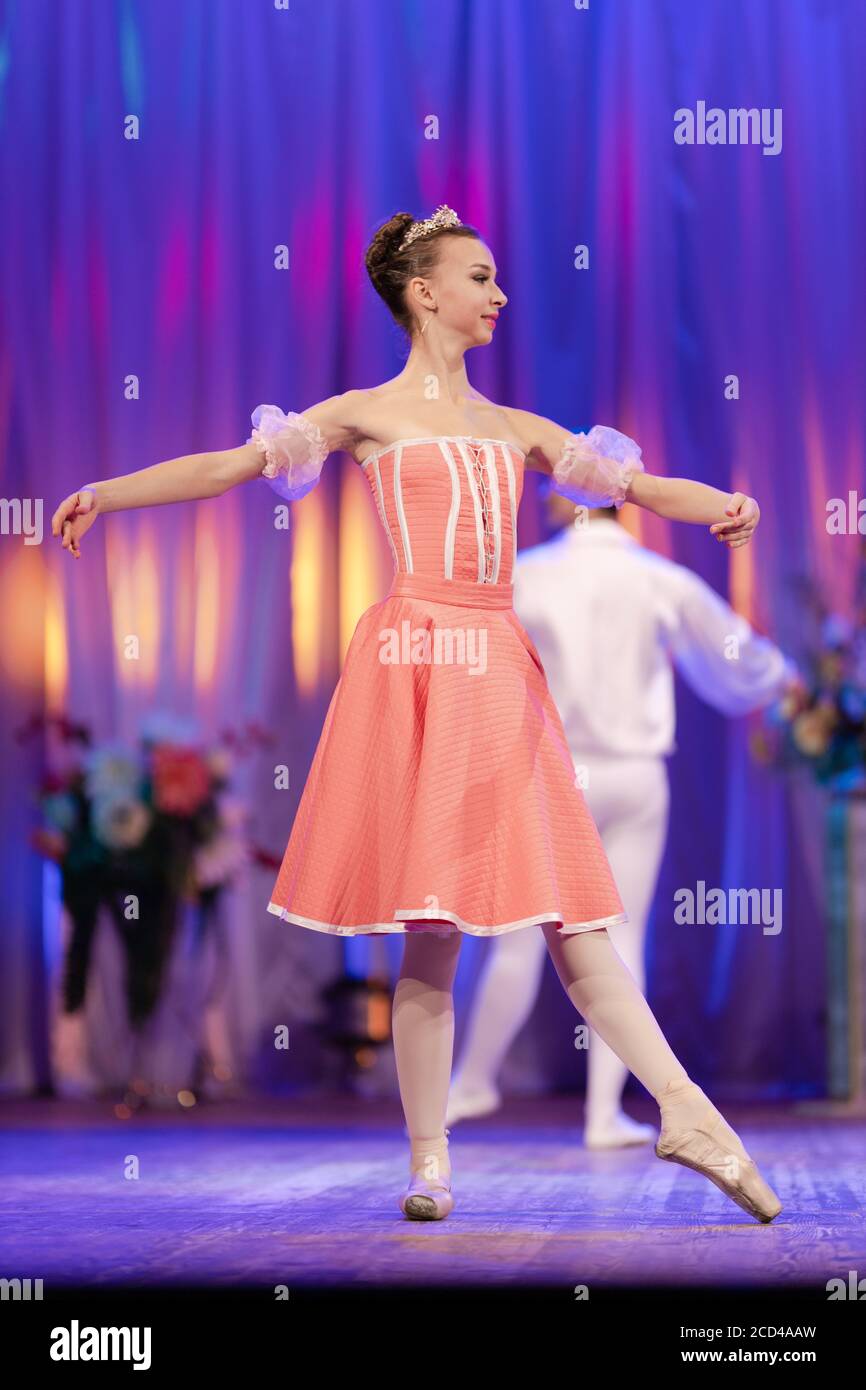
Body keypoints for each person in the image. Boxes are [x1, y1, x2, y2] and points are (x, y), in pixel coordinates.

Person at [52, 204, 781, 1225]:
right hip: (414, 663)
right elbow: (226, 467)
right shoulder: (364, 413)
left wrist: (721, 506)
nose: (499, 294)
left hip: (494, 668)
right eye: (479, 277)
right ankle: (430, 1158)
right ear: (423, 291)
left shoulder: (512, 428)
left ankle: (684, 1109)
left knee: (575, 913)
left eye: (496, 278)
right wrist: (107, 491)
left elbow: (637, 483)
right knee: (429, 932)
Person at [447, 489, 800, 1149]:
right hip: (635, 776)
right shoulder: (657, 577)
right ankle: (601, 1114)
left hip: (554, 771)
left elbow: (477, 666)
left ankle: (473, 1078)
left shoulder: (528, 574)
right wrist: (784, 678)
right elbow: (733, 647)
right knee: (619, 940)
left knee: (520, 936)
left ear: (561, 506)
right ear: (622, 504)